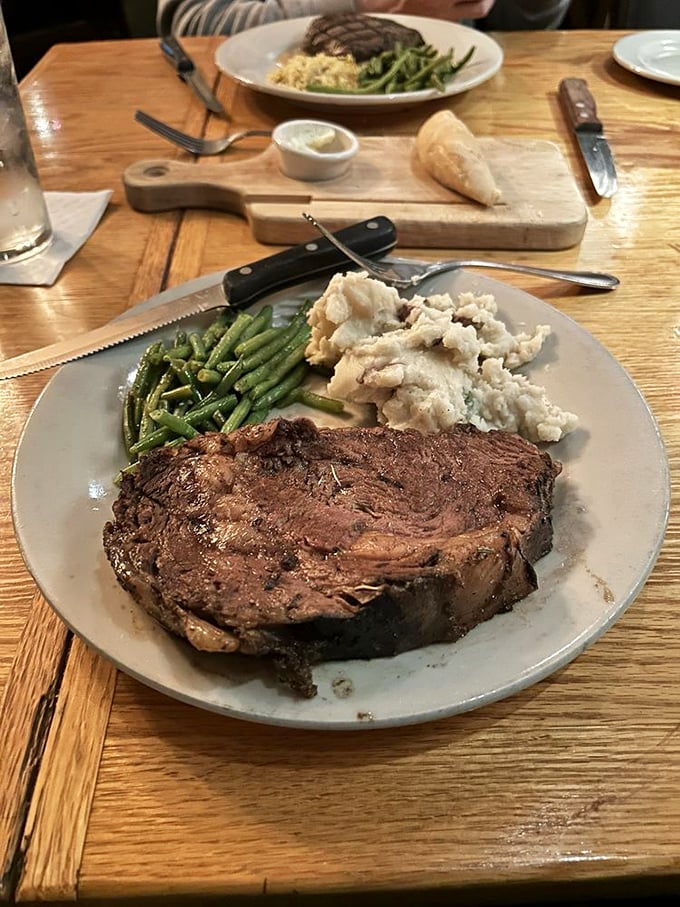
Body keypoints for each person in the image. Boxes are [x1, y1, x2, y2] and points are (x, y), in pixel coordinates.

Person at [156, 1, 571, 37]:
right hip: (267, 126)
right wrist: (361, 6)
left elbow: (530, 27)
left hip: (454, 108)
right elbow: (191, 22)